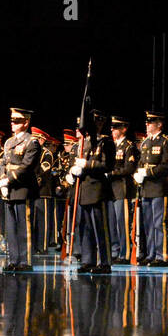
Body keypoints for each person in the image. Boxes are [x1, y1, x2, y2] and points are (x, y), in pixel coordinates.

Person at [66, 108, 114, 274]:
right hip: (84, 188)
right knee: (85, 227)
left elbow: (107, 165)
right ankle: (88, 260)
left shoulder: (105, 142)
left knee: (99, 227)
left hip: (97, 189)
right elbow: (76, 162)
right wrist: (73, 170)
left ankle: (104, 261)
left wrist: (87, 165)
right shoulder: (83, 143)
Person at [0, 107, 41, 272]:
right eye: (12, 121)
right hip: (9, 189)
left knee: (24, 226)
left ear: (26, 122)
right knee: (11, 226)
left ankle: (25, 261)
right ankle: (13, 260)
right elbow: (3, 162)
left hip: (23, 188)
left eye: (16, 121)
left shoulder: (32, 142)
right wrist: (2, 178)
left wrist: (8, 180)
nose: (13, 124)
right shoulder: (9, 142)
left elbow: (26, 167)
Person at [136, 111, 168, 266]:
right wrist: (139, 172)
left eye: (151, 122)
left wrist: (148, 172)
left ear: (159, 124)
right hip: (146, 188)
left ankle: (161, 254)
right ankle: (151, 253)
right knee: (148, 223)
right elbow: (141, 162)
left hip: (159, 187)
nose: (147, 124)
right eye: (147, 122)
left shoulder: (166, 141)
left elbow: (166, 165)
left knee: (159, 223)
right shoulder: (145, 143)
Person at [108, 117, 138, 262]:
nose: (112, 130)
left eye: (116, 127)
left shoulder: (128, 146)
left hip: (122, 187)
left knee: (122, 222)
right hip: (110, 189)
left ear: (123, 129)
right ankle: (114, 250)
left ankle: (124, 253)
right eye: (112, 127)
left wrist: (112, 173)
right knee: (112, 222)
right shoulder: (111, 145)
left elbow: (129, 168)